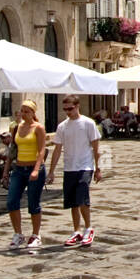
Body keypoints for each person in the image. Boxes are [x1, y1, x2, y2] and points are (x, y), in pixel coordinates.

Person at [47, 95, 102, 247]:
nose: (68, 112)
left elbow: (96, 147)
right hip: (69, 167)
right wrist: (51, 171)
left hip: (85, 166)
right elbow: (57, 149)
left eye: (70, 109)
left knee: (82, 197)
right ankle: (76, 230)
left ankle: (88, 228)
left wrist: (98, 168)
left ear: (77, 106)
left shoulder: (88, 123)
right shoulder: (62, 126)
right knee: (72, 201)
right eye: (65, 110)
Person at [6, 101, 48, 251]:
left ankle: (36, 235)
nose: (24, 114)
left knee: (33, 203)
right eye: (22, 111)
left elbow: (42, 150)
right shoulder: (17, 128)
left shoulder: (38, 128)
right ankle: (18, 234)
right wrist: (6, 171)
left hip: (34, 168)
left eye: (27, 111)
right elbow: (12, 150)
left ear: (33, 113)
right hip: (19, 168)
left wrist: (36, 170)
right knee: (11, 201)